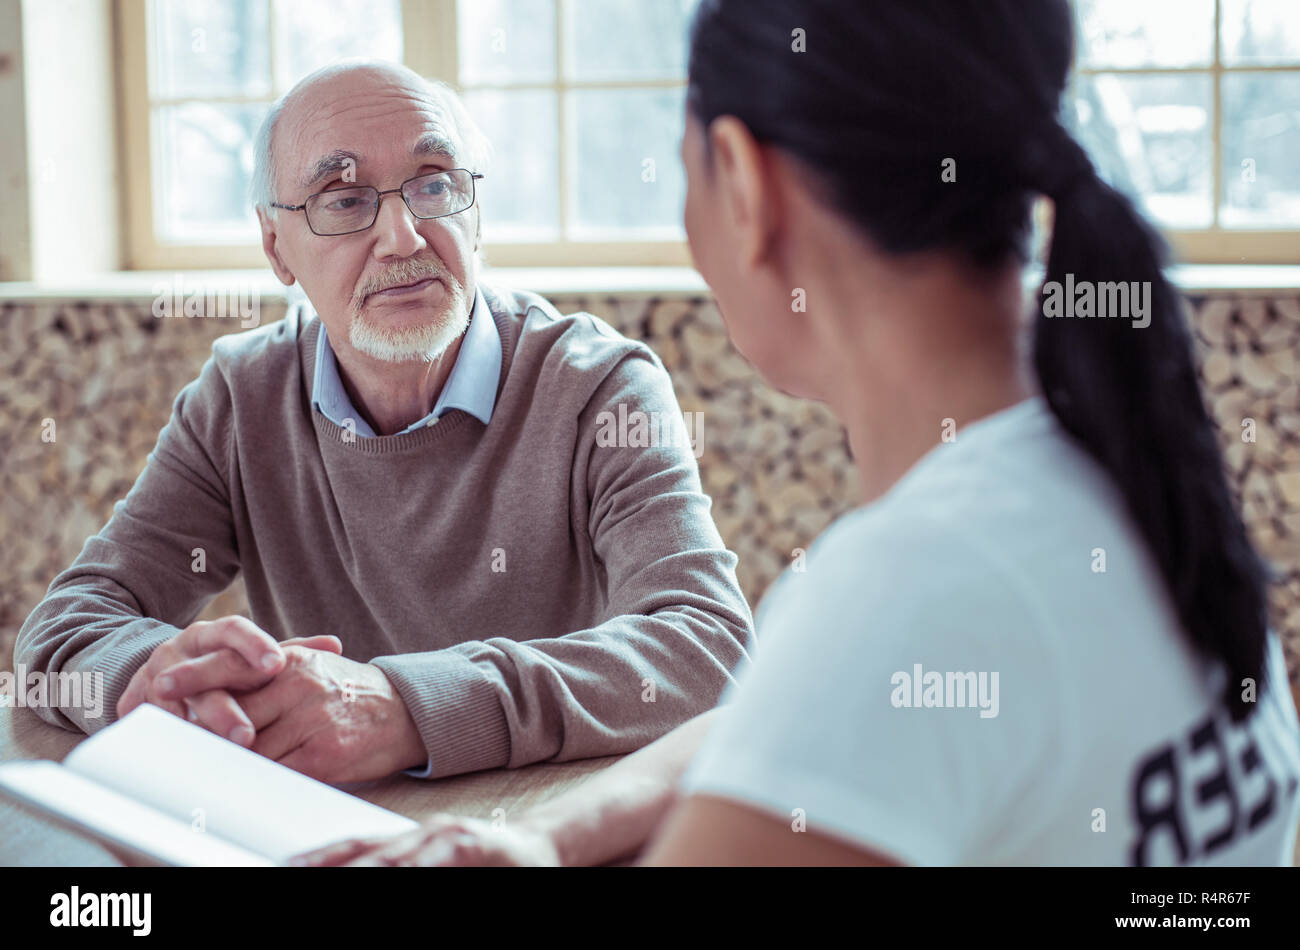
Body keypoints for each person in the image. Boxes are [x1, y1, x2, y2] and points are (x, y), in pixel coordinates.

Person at [296, 0, 1300, 864]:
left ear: (742, 180)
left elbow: (855, 678)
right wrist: (550, 834)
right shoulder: (1127, 472)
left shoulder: (911, 586)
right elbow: (804, 717)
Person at [13, 61, 754, 784]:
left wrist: (405, 707)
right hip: (327, 823)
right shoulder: (242, 398)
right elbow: (65, 628)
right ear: (277, 247)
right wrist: (155, 678)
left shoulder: (599, 387)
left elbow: (706, 647)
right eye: (343, 199)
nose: (403, 236)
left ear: (476, 214)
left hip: (544, 821)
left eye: (435, 185)